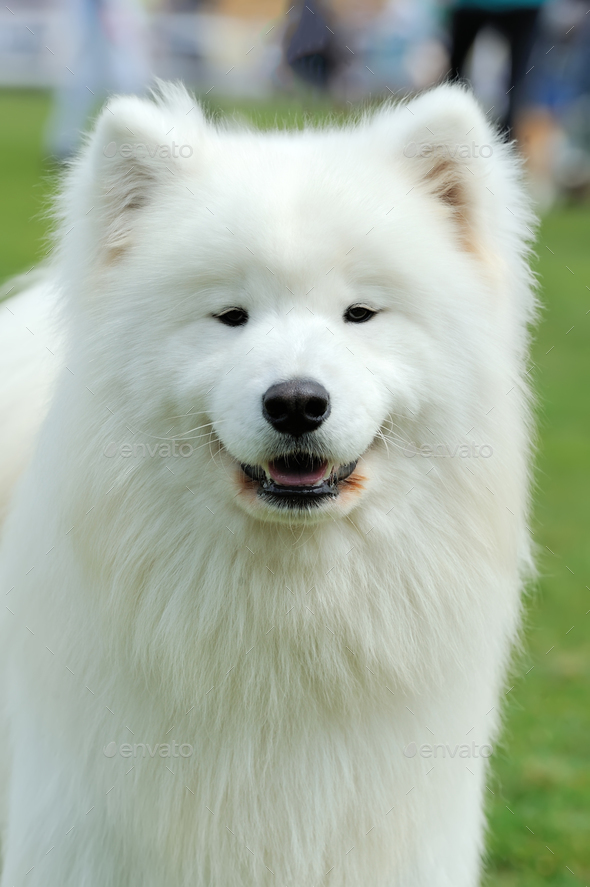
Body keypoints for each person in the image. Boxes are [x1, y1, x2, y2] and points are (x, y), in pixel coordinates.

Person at [448, 0, 546, 132]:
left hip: (522, 7)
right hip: (473, 6)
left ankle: (507, 142)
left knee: (517, 89)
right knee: (454, 84)